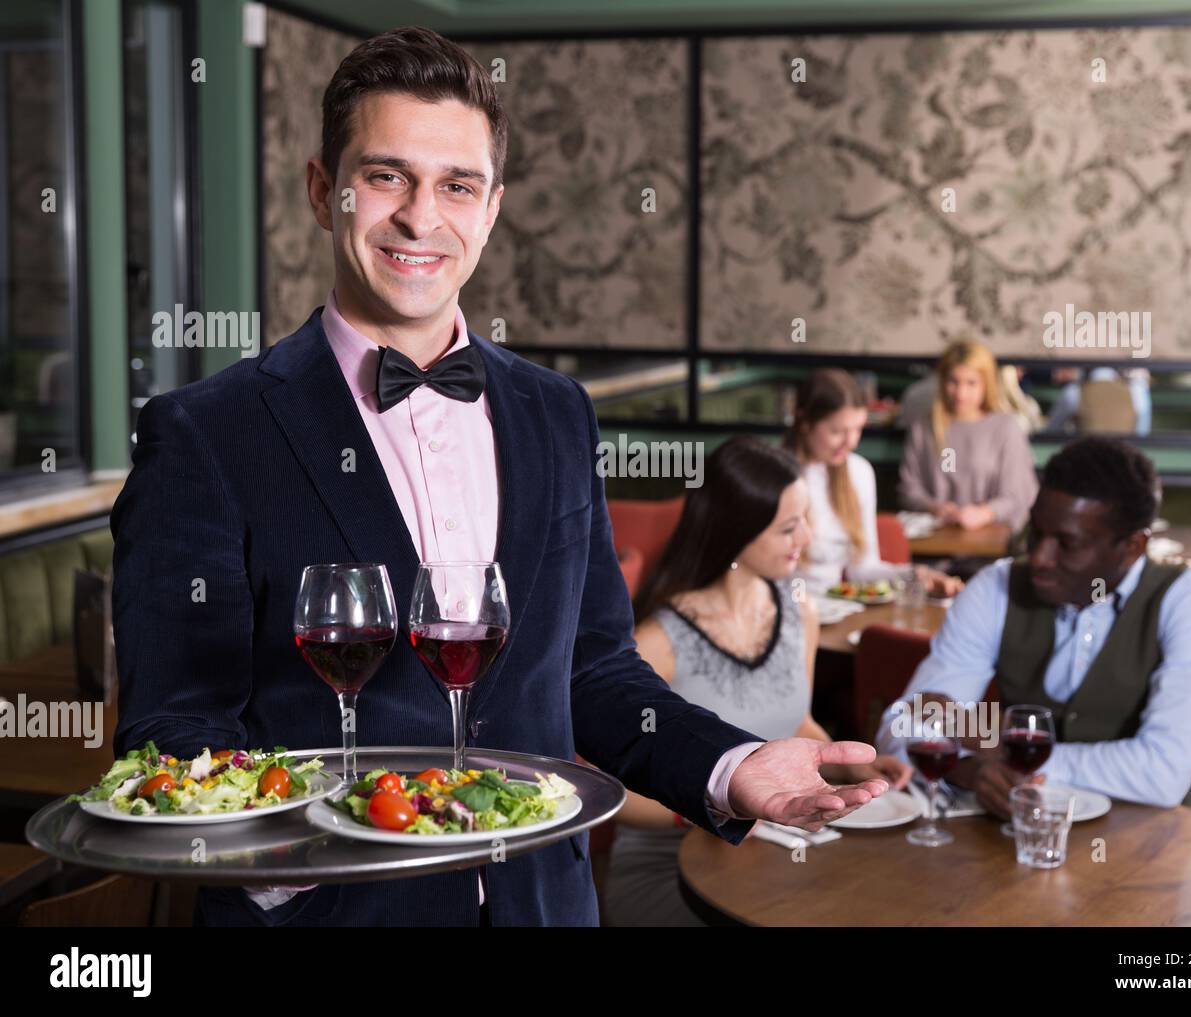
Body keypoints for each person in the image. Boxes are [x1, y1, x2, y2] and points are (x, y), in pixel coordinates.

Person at [109, 26, 889, 928]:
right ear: (326, 189)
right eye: (387, 175)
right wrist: (300, 866)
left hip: (547, 907)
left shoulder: (558, 413)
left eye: (457, 185)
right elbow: (177, 731)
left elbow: (594, 670)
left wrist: (731, 764)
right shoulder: (205, 434)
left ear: (492, 208)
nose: (420, 217)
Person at [603, 437, 912, 926]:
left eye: (805, 521)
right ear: (736, 532)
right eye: (789, 528)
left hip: (769, 855)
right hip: (669, 867)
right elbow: (601, 786)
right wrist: (706, 803)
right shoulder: (658, 641)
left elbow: (799, 722)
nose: (806, 539)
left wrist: (848, 770)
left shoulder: (801, 614)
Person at [876, 437, 1191, 816]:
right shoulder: (995, 587)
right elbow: (902, 726)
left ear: (1133, 547)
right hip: (1011, 835)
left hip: (1142, 834)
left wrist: (1000, 749)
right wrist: (967, 769)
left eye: (1067, 544)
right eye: (1036, 534)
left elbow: (1163, 773)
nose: (1040, 558)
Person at [784, 368, 960, 597]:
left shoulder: (859, 472)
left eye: (858, 430)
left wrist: (916, 575)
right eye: (837, 431)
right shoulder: (777, 475)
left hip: (838, 609)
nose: (851, 443)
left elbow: (863, 569)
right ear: (805, 422)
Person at [898, 338, 1038, 532]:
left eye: (971, 383)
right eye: (953, 382)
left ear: (986, 385)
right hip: (936, 539)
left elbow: (1018, 494)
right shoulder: (923, 427)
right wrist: (934, 507)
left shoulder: (1006, 428)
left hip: (992, 543)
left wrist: (985, 512)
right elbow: (908, 489)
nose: (960, 394)